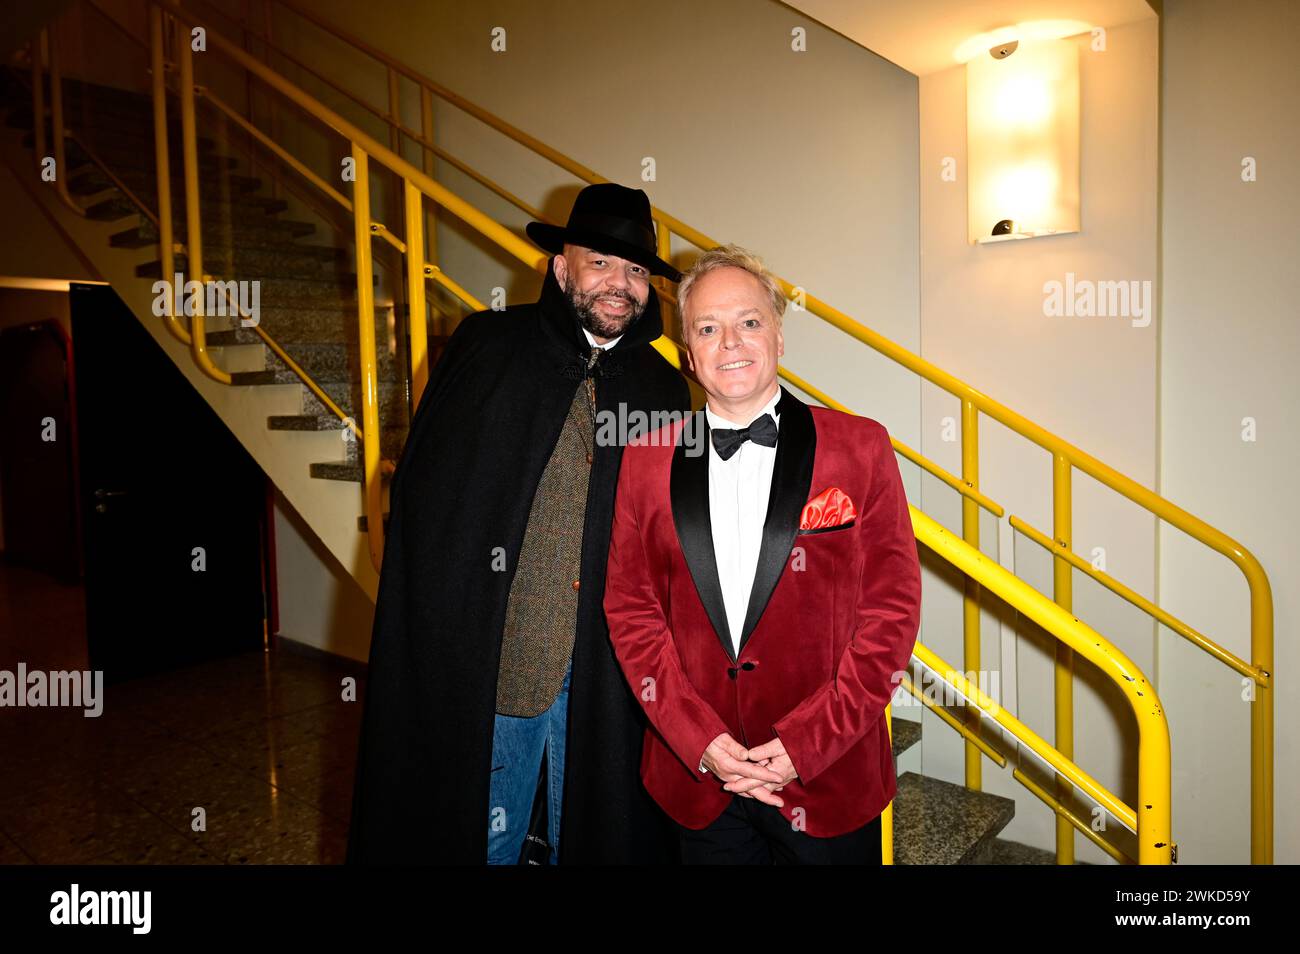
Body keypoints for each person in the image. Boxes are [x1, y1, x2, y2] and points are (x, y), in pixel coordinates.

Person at [347, 183, 691, 864]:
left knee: (589, 836)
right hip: (502, 662)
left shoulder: (661, 387)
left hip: (610, 676)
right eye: (601, 263)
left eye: (636, 271)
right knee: (490, 839)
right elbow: (433, 512)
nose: (620, 284)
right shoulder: (487, 348)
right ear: (561, 267)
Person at [603, 244, 922, 864]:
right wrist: (701, 740)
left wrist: (805, 745)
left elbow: (891, 616)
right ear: (689, 354)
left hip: (828, 779)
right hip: (698, 784)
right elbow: (631, 613)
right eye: (708, 328)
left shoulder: (861, 447)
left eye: (749, 321)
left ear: (779, 336)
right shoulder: (644, 458)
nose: (731, 343)